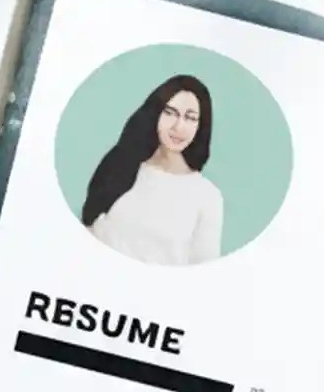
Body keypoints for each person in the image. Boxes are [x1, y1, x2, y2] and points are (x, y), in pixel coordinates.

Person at [82, 75, 224, 265]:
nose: (178, 126)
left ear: (201, 126)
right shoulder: (120, 165)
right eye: (170, 113)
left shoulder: (207, 196)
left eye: (190, 118)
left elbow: (203, 272)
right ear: (155, 113)